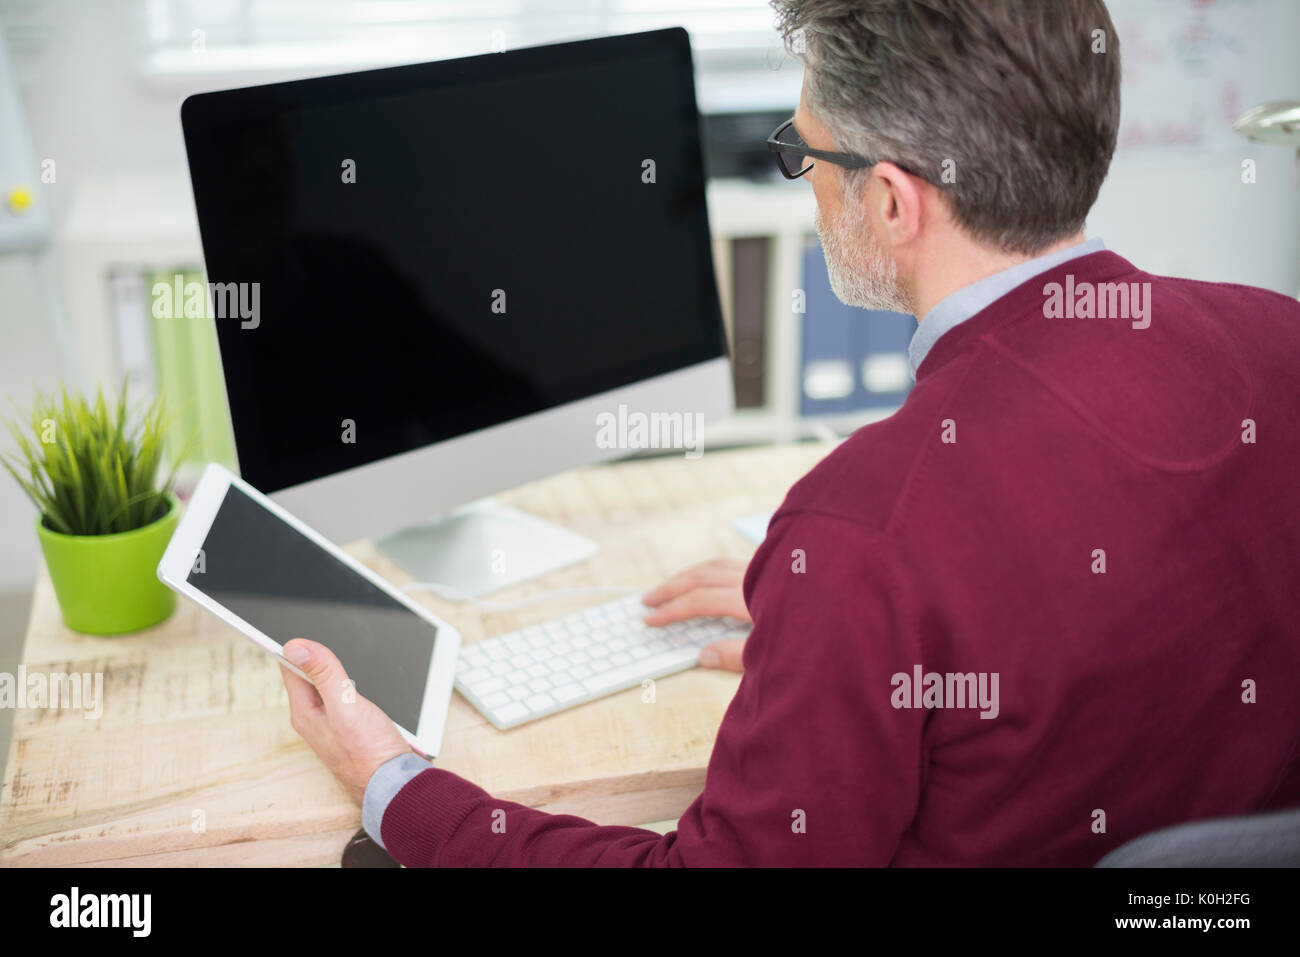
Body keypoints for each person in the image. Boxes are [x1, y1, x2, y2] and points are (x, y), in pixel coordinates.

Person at [280, 0, 1300, 865]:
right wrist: (845, 639)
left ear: (894, 200)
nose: (805, 178)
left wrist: (394, 781)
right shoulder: (1278, 339)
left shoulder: (866, 527)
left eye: (802, 152)